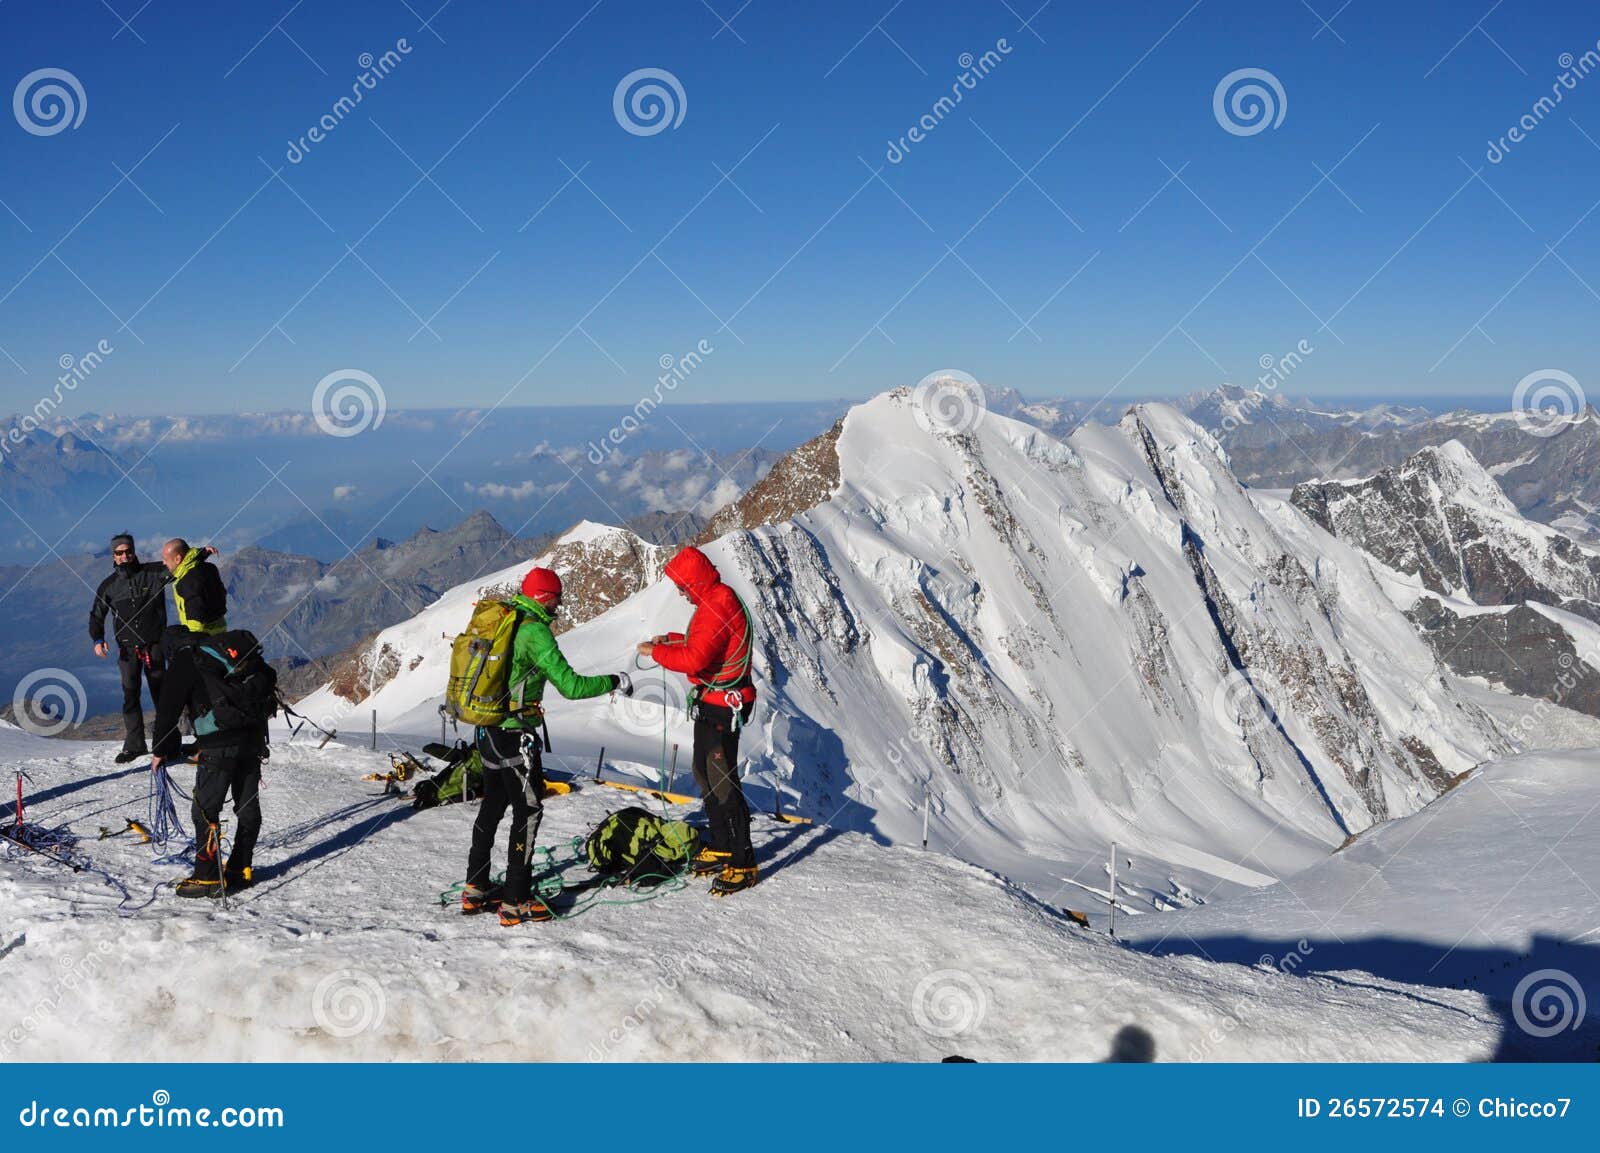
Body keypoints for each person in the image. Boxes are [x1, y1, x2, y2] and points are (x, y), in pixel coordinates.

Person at [464, 567, 633, 926]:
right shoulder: (535, 632)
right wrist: (613, 681)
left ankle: (475, 888)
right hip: (515, 736)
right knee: (527, 813)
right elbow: (571, 687)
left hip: (486, 732)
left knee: (493, 804)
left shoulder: (505, 618)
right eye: (557, 597)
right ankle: (516, 901)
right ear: (544, 597)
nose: (560, 604)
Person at [637, 546, 759, 897]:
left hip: (723, 705)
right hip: (712, 702)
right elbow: (705, 645)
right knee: (704, 773)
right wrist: (671, 640)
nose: (680, 592)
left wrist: (656, 652)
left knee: (722, 781)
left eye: (682, 586)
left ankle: (742, 860)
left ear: (694, 581)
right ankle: (722, 845)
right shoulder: (714, 600)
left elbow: (695, 659)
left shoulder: (716, 604)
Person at [149, 628, 272, 898]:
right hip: (251, 739)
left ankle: (207, 878)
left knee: (205, 811)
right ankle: (240, 868)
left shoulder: (186, 660)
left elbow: (168, 708)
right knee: (247, 806)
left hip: (219, 746)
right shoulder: (223, 651)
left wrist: (159, 751)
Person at [88, 533, 171, 763]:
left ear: (134, 552)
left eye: (127, 552)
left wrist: (202, 553)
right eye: (119, 553)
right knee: (130, 695)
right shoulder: (109, 586)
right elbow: (96, 615)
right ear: (113, 556)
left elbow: (180, 564)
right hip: (127, 650)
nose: (124, 556)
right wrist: (98, 639)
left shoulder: (154, 573)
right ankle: (135, 746)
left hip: (154, 645)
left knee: (162, 695)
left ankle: (168, 744)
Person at [162, 538, 226, 634]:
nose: (164, 562)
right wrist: (201, 553)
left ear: (177, 559)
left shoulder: (187, 580)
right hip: (221, 631)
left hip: (202, 637)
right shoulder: (210, 568)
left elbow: (195, 616)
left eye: (166, 559)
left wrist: (192, 640)